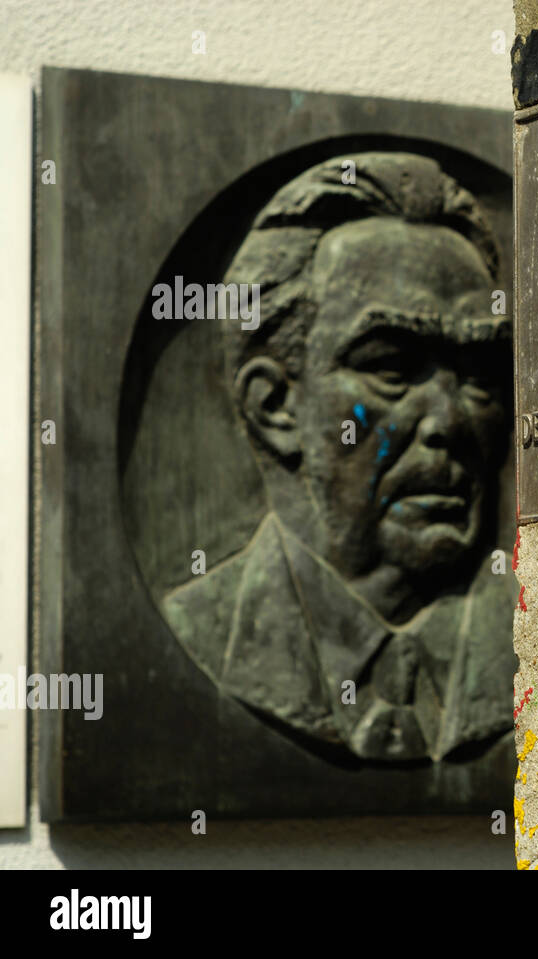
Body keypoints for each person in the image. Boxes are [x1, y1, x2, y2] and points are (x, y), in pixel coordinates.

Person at [163, 152, 514, 763]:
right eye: (391, 367)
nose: (449, 421)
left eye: (478, 376)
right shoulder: (201, 636)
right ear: (275, 406)